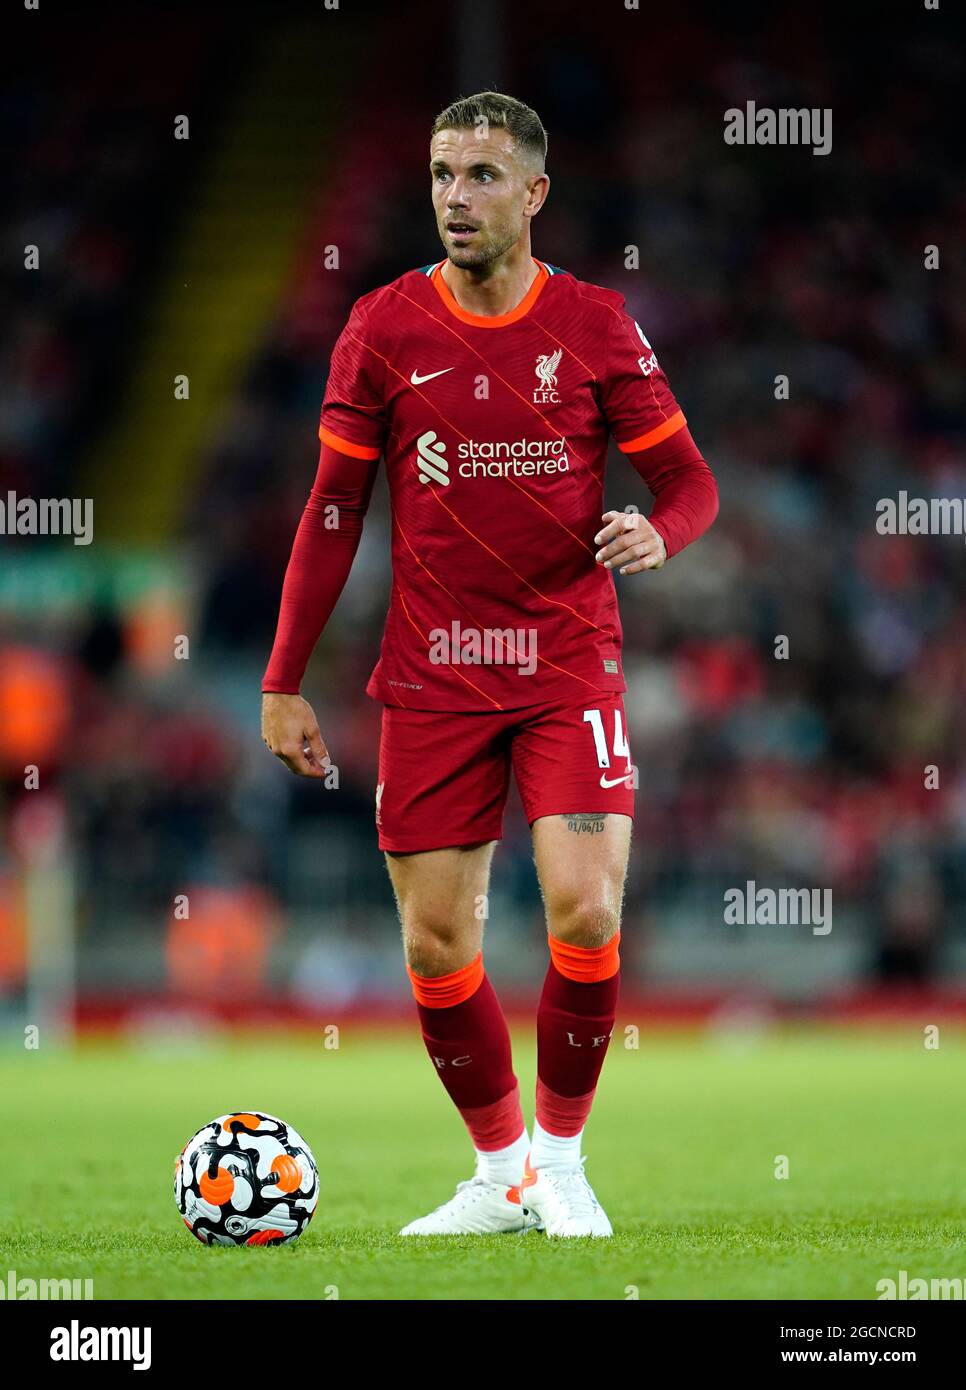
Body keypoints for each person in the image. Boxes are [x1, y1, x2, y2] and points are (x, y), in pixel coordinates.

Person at [262, 92, 718, 1236]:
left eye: (480, 176)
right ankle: (501, 1174)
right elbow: (332, 510)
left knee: (586, 911)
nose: (455, 197)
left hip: (566, 664)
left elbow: (690, 483)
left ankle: (561, 1162)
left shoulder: (597, 327)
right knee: (436, 941)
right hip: (434, 673)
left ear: (534, 193)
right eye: (440, 174)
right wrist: (282, 677)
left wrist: (660, 532)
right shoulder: (381, 327)